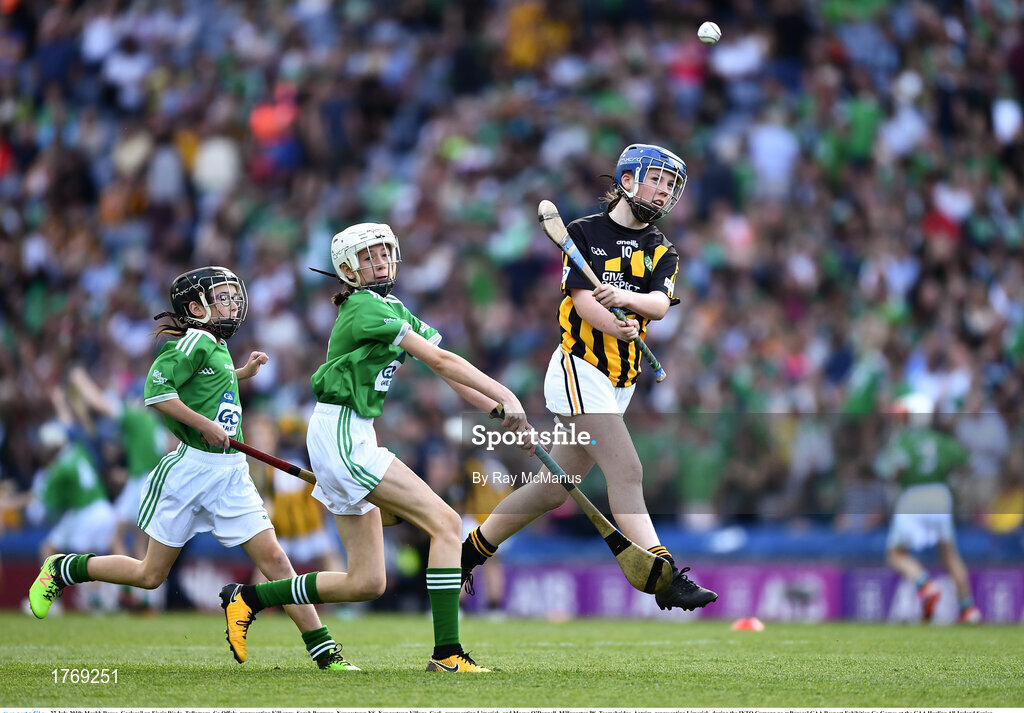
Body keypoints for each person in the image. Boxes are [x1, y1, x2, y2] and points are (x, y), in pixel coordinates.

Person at [218, 223, 532, 673]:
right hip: (343, 433)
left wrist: (505, 416)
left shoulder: (392, 308)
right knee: (447, 523)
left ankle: (248, 598)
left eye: (384, 252)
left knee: (366, 582)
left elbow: (447, 374)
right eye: (367, 257)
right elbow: (442, 360)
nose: (380, 261)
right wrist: (508, 394)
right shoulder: (364, 306)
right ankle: (447, 654)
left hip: (352, 433)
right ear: (348, 270)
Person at [27, 266, 356, 671]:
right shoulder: (195, 340)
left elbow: (207, 385)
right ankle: (62, 568)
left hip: (230, 473)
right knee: (149, 575)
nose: (233, 303)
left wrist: (242, 374)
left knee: (275, 560)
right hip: (191, 472)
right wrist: (204, 425)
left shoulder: (216, 345)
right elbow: (157, 392)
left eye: (234, 295)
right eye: (222, 297)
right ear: (196, 309)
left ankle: (325, 653)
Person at [461, 144, 718, 612]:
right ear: (627, 180)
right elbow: (581, 303)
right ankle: (665, 574)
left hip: (621, 381)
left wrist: (627, 301)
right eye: (656, 179)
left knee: (552, 488)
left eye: (671, 185)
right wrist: (613, 322)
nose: (664, 192)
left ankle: (471, 550)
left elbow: (659, 305)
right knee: (628, 470)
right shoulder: (582, 233)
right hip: (579, 368)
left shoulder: (662, 250)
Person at [875, 392, 981, 624]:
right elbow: (970, 462)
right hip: (940, 495)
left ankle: (924, 584)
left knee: (895, 554)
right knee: (949, 554)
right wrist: (953, 478)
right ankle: (969, 609)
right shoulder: (941, 440)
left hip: (913, 495)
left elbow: (889, 470)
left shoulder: (902, 441)